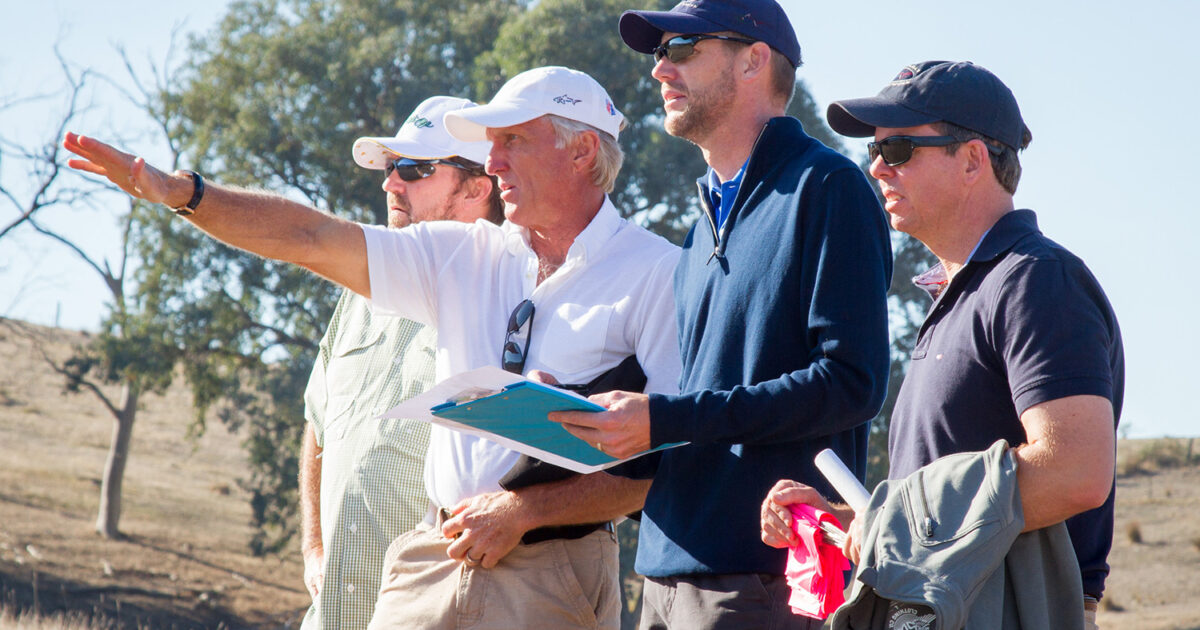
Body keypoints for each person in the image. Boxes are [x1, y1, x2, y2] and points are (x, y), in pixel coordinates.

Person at [63, 65, 681, 630]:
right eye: (489, 145)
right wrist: (185, 195)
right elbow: (310, 236)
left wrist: (524, 512)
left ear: (582, 150)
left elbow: (673, 464)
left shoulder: (659, 272)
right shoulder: (462, 252)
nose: (493, 163)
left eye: (511, 140)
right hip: (428, 557)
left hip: (553, 575)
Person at [552, 1, 893, 627]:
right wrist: (578, 412)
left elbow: (852, 383)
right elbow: (694, 403)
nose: (660, 71)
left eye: (681, 49)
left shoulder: (828, 187)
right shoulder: (697, 226)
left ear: (754, 61)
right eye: (658, 55)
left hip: (763, 576)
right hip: (661, 574)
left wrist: (663, 417)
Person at [761, 60, 1123, 629]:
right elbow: (941, 508)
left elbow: (1073, 470)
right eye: (875, 151)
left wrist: (894, 519)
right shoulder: (970, 294)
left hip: (1014, 609)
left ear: (974, 159)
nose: (877, 168)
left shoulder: (1034, 279)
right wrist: (854, 519)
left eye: (900, 149)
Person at [299, 95, 503, 630]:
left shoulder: (509, 290)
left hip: (439, 604)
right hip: (332, 610)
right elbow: (317, 424)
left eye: (413, 169)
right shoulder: (356, 292)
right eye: (391, 168)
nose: (391, 183)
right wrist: (313, 543)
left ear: (478, 187)